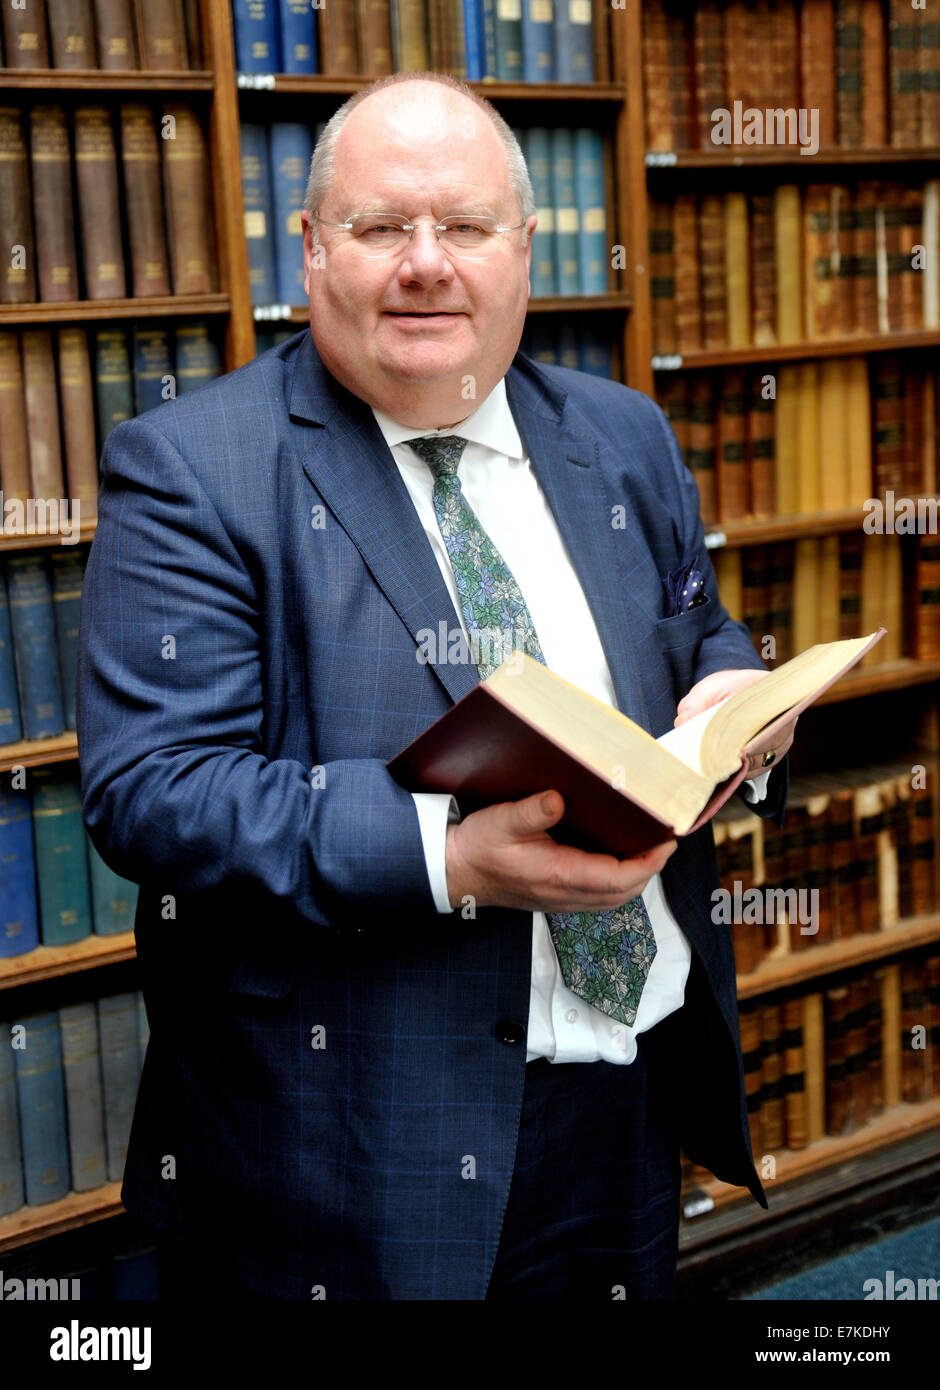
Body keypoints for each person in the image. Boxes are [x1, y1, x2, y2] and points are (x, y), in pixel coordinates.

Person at [76, 72, 796, 1302]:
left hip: (624, 1090)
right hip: (353, 1140)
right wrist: (450, 858)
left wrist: (741, 700)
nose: (426, 265)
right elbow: (153, 792)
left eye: (463, 227)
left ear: (521, 250)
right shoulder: (196, 469)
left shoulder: (621, 435)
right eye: (378, 227)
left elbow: (701, 633)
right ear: (309, 252)